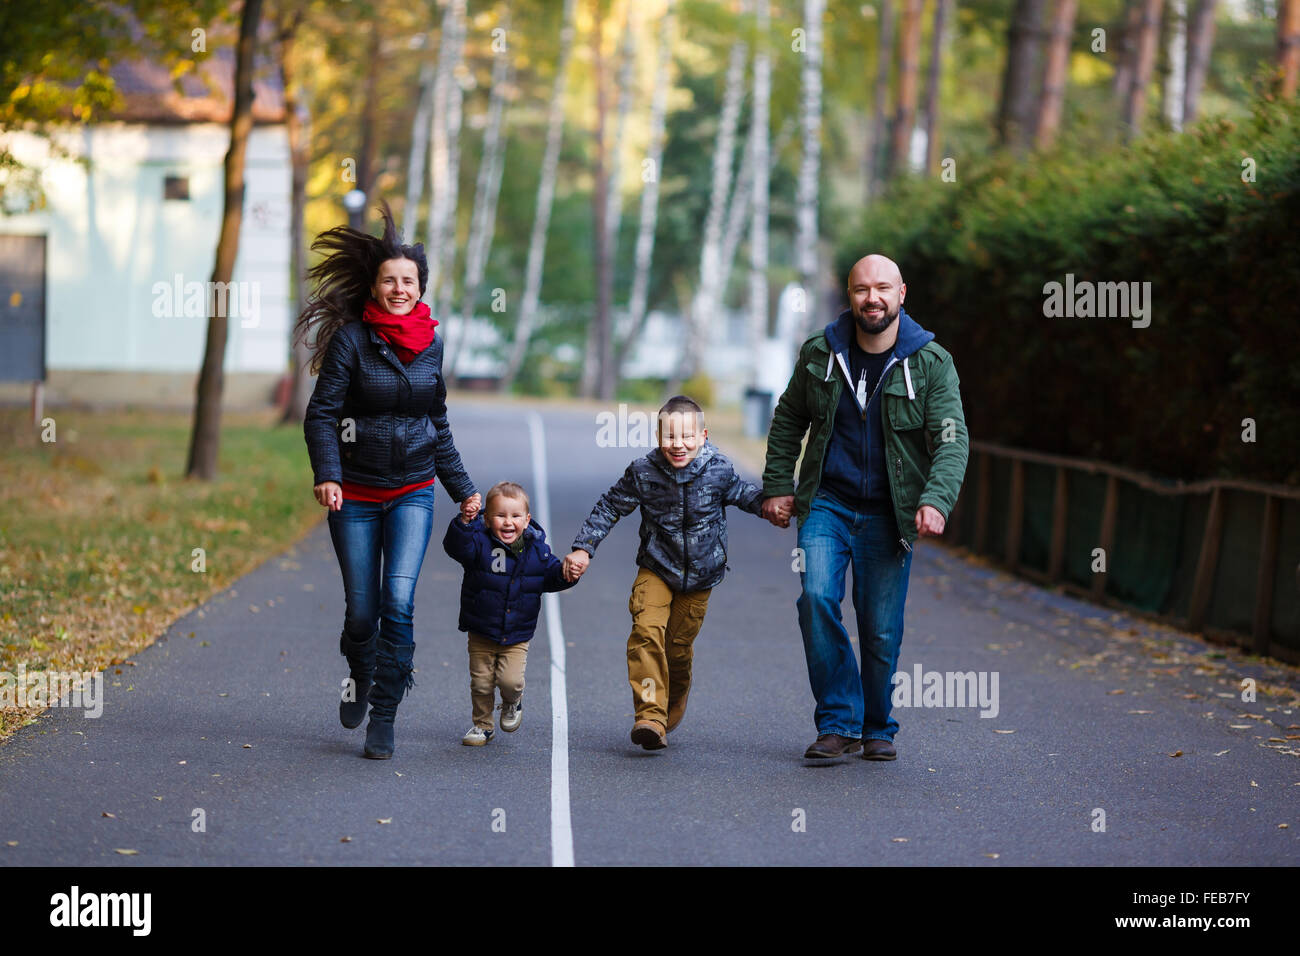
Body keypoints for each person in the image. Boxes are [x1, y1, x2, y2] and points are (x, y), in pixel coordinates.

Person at [761, 254, 969, 762]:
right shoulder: (819, 354)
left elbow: (951, 438)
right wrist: (776, 485)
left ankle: (878, 725)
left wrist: (935, 499)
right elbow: (790, 418)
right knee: (815, 598)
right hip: (826, 504)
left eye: (882, 288)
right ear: (849, 296)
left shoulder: (931, 363)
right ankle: (838, 722)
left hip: (890, 515)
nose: (871, 298)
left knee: (879, 630)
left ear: (902, 293)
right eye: (860, 289)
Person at [300, 201, 479, 760]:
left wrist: (464, 489)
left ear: (420, 287)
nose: (399, 288)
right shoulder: (353, 341)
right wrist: (328, 475)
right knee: (362, 610)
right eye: (389, 280)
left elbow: (438, 422)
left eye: (409, 280)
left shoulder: (433, 343)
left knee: (398, 600)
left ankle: (384, 712)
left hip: (412, 491)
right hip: (354, 492)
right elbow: (322, 414)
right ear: (375, 286)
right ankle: (358, 668)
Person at [563, 396, 771, 750]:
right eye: (670, 437)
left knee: (676, 649)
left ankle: (674, 695)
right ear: (659, 436)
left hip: (702, 576)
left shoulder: (719, 468)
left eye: (687, 437)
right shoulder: (644, 472)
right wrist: (584, 547)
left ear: (703, 435)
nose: (679, 445)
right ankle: (649, 715)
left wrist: (775, 506)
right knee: (645, 634)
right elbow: (610, 505)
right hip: (657, 567)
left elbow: (745, 495)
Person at [443, 480, 576, 746]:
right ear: (488, 519)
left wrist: (567, 575)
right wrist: (464, 523)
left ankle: (512, 702)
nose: (507, 522)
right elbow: (456, 547)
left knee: (511, 681)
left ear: (527, 520)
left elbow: (549, 577)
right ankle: (482, 725)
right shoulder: (477, 544)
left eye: (515, 516)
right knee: (481, 683)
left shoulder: (537, 550)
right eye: (500, 516)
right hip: (481, 628)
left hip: (517, 633)